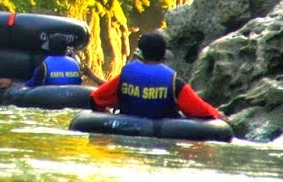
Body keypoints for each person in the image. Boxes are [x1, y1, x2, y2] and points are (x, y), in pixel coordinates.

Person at [89, 30, 223, 119]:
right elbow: (202, 111)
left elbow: (95, 99)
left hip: (126, 129)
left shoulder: (125, 76)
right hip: (164, 135)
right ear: (163, 57)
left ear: (140, 55)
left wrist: (108, 118)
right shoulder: (174, 82)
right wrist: (220, 115)